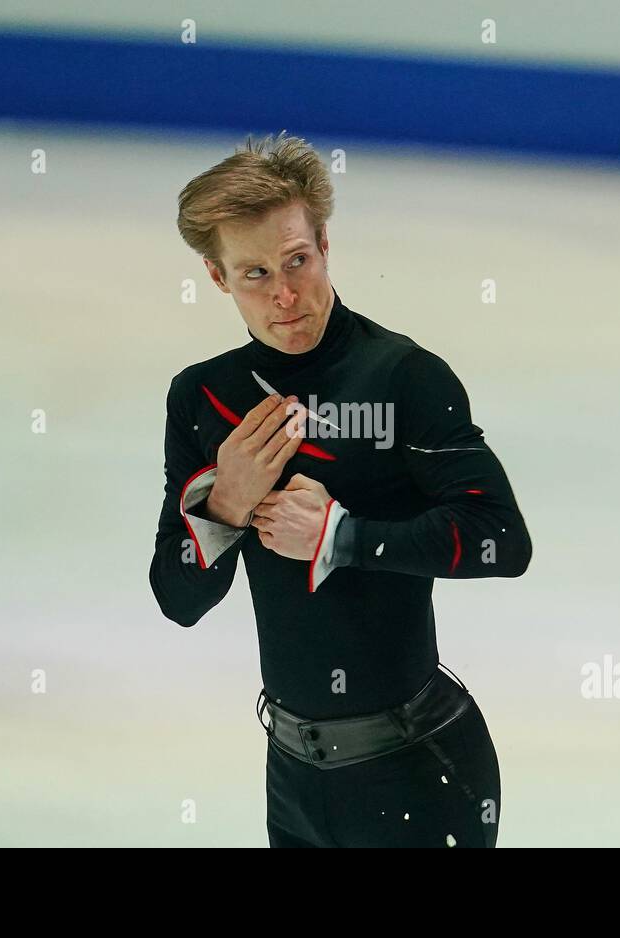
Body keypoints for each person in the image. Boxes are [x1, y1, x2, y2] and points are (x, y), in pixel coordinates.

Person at [150, 131, 532, 847]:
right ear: (217, 276)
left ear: (325, 242)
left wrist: (342, 537)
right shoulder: (203, 398)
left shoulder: (402, 378)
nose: (286, 295)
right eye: (256, 273)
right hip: (294, 777)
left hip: (419, 770)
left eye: (298, 260)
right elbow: (178, 600)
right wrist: (224, 506)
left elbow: (503, 539)